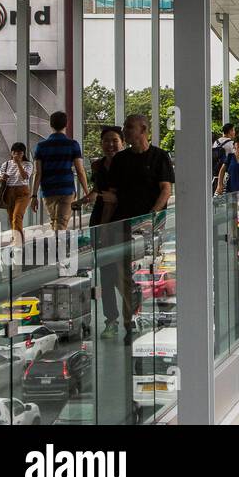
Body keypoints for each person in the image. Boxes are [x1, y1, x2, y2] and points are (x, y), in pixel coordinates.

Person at [102, 113, 174, 345]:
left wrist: (152, 214)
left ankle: (143, 315)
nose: (125, 131)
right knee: (123, 272)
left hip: (148, 228)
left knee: (147, 272)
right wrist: (104, 226)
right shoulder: (121, 160)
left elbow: (165, 190)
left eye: (129, 127)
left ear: (143, 129)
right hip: (123, 225)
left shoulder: (160, 156)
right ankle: (129, 322)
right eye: (125, 126)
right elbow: (111, 196)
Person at [88, 125, 126, 338]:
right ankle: (111, 319)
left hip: (118, 222)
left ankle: (130, 307)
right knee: (106, 273)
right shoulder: (97, 166)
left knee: (119, 271)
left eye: (114, 140)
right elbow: (99, 192)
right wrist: (84, 200)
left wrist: (103, 228)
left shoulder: (128, 165)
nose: (110, 145)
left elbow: (114, 198)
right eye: (106, 141)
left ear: (122, 142)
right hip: (100, 220)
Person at [31, 111, 90, 232]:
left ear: (51, 125)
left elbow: (38, 173)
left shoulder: (41, 146)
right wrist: (86, 191)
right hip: (66, 189)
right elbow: (80, 170)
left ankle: (57, 247)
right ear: (66, 124)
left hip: (48, 190)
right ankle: (59, 249)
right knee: (61, 223)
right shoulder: (73, 144)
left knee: (55, 221)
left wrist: (34, 195)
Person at [0, 141, 33, 244]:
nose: (16, 155)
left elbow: (25, 176)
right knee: (11, 216)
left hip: (22, 193)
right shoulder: (6, 164)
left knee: (17, 216)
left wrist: (18, 164)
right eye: (14, 152)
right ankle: (15, 237)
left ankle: (19, 242)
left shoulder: (28, 164)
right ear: (11, 153)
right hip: (8, 192)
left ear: (23, 153)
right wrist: (1, 178)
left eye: (19, 153)